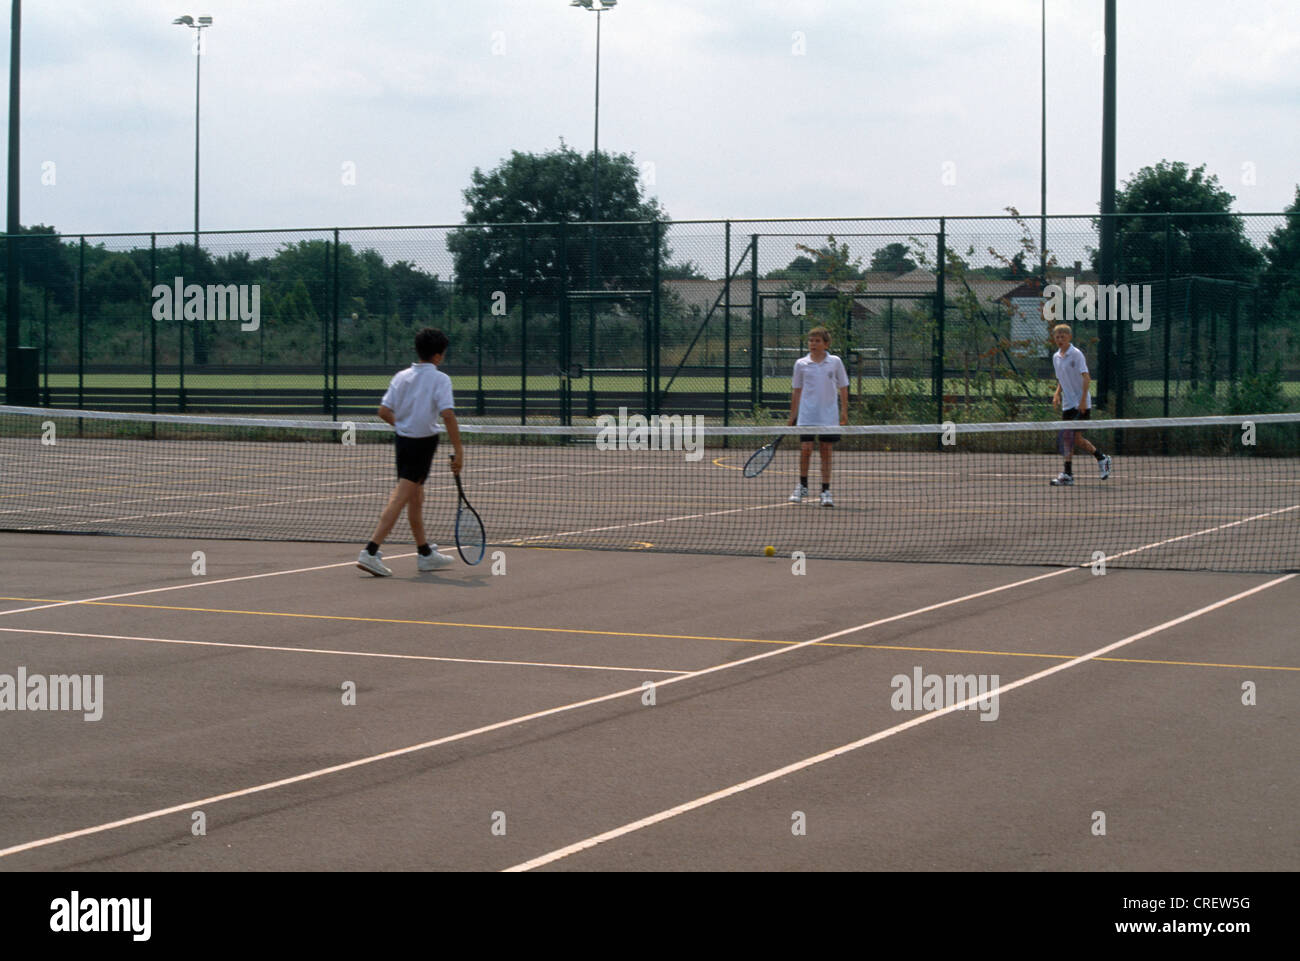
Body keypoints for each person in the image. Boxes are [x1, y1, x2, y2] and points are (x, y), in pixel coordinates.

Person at [357, 327, 464, 576]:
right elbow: (447, 414)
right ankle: (370, 551)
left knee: (416, 498)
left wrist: (403, 425)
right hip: (422, 445)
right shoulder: (440, 379)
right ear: (438, 356)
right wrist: (459, 450)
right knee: (400, 498)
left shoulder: (401, 376)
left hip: (403, 443)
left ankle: (424, 553)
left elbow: (383, 411)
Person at [787, 326, 849, 506]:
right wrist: (792, 416)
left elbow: (843, 388)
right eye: (811, 341)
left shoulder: (835, 362)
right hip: (807, 416)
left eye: (817, 341)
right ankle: (802, 486)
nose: (813, 344)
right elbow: (796, 391)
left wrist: (844, 412)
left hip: (829, 417)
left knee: (826, 452)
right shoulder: (801, 364)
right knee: (806, 450)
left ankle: (825, 491)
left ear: (826, 344)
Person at [1049, 323, 1111, 486]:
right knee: (1073, 438)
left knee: (1069, 436)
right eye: (1057, 337)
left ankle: (1069, 473)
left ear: (1069, 337)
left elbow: (1086, 377)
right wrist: (1057, 393)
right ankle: (1100, 458)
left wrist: (1083, 400)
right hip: (1068, 404)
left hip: (1081, 403)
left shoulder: (1076, 354)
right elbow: (1061, 378)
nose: (1060, 339)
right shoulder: (1056, 357)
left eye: (1063, 336)